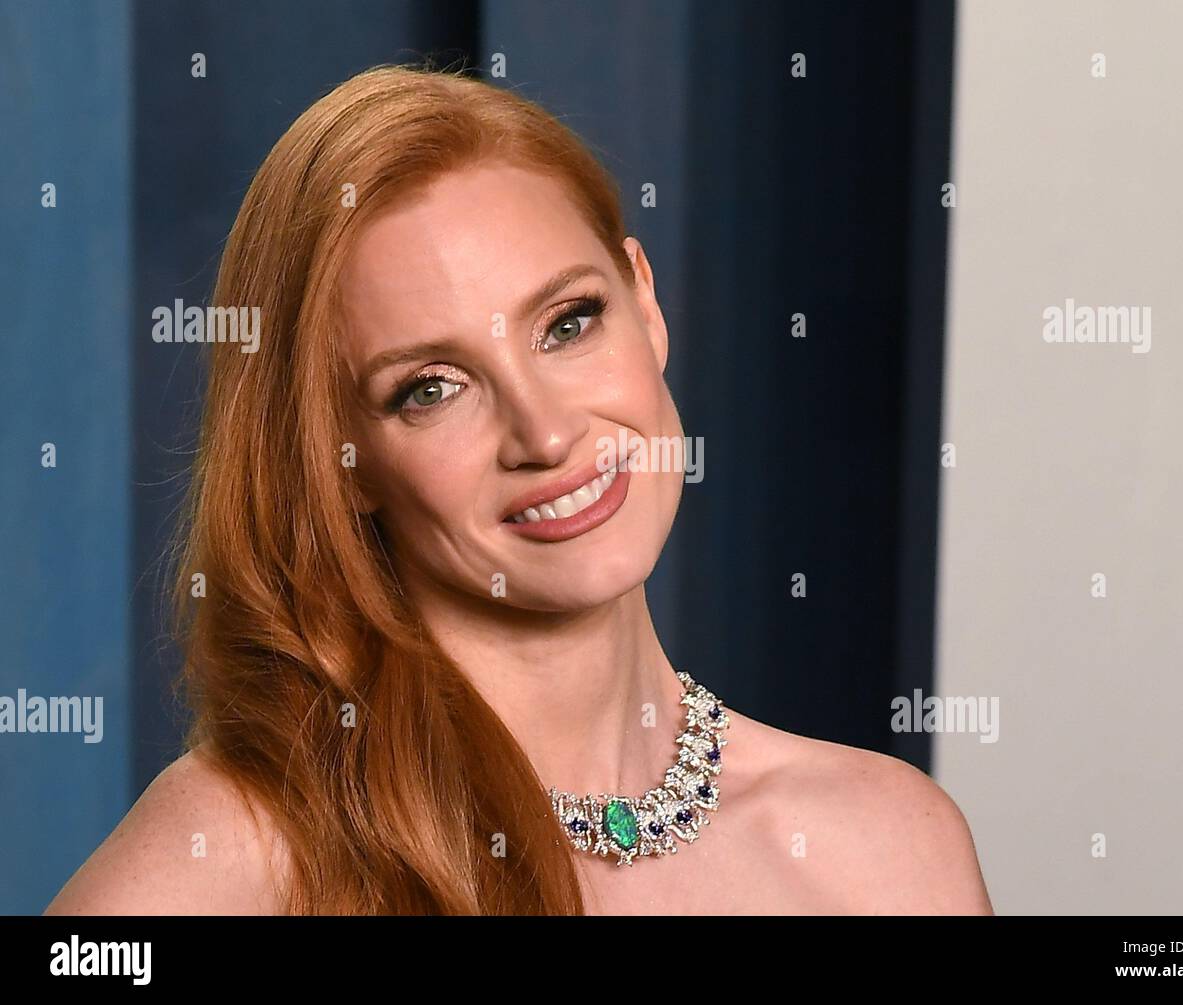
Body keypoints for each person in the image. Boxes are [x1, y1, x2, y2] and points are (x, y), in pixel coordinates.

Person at [45, 65, 993, 916]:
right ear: (342, 463)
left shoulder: (892, 848)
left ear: (645, 303)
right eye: (432, 388)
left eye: (568, 323)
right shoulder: (243, 856)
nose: (545, 434)